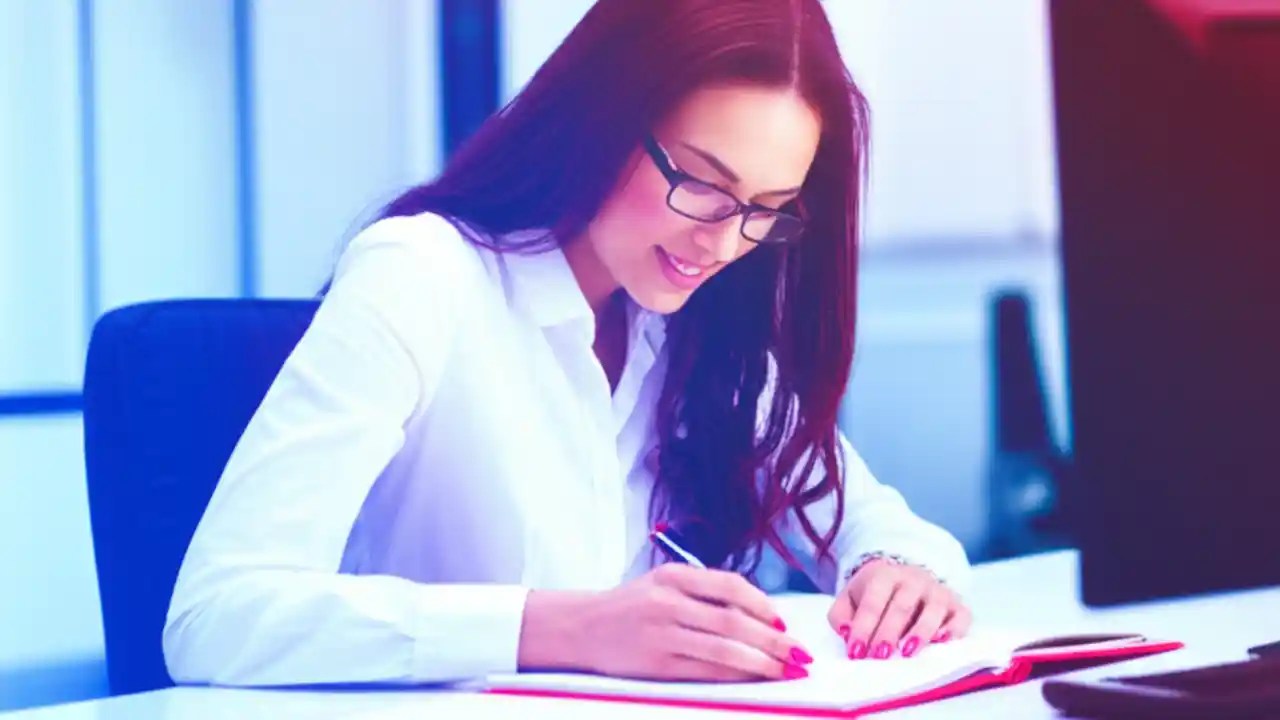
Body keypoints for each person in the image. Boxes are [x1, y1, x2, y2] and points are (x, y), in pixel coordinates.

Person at [164, 0, 972, 687]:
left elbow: (868, 520)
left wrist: (897, 575)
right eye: (700, 184)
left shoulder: (699, 327)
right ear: (604, 121)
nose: (725, 246)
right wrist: (564, 630)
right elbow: (214, 616)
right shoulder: (423, 275)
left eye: (767, 208)